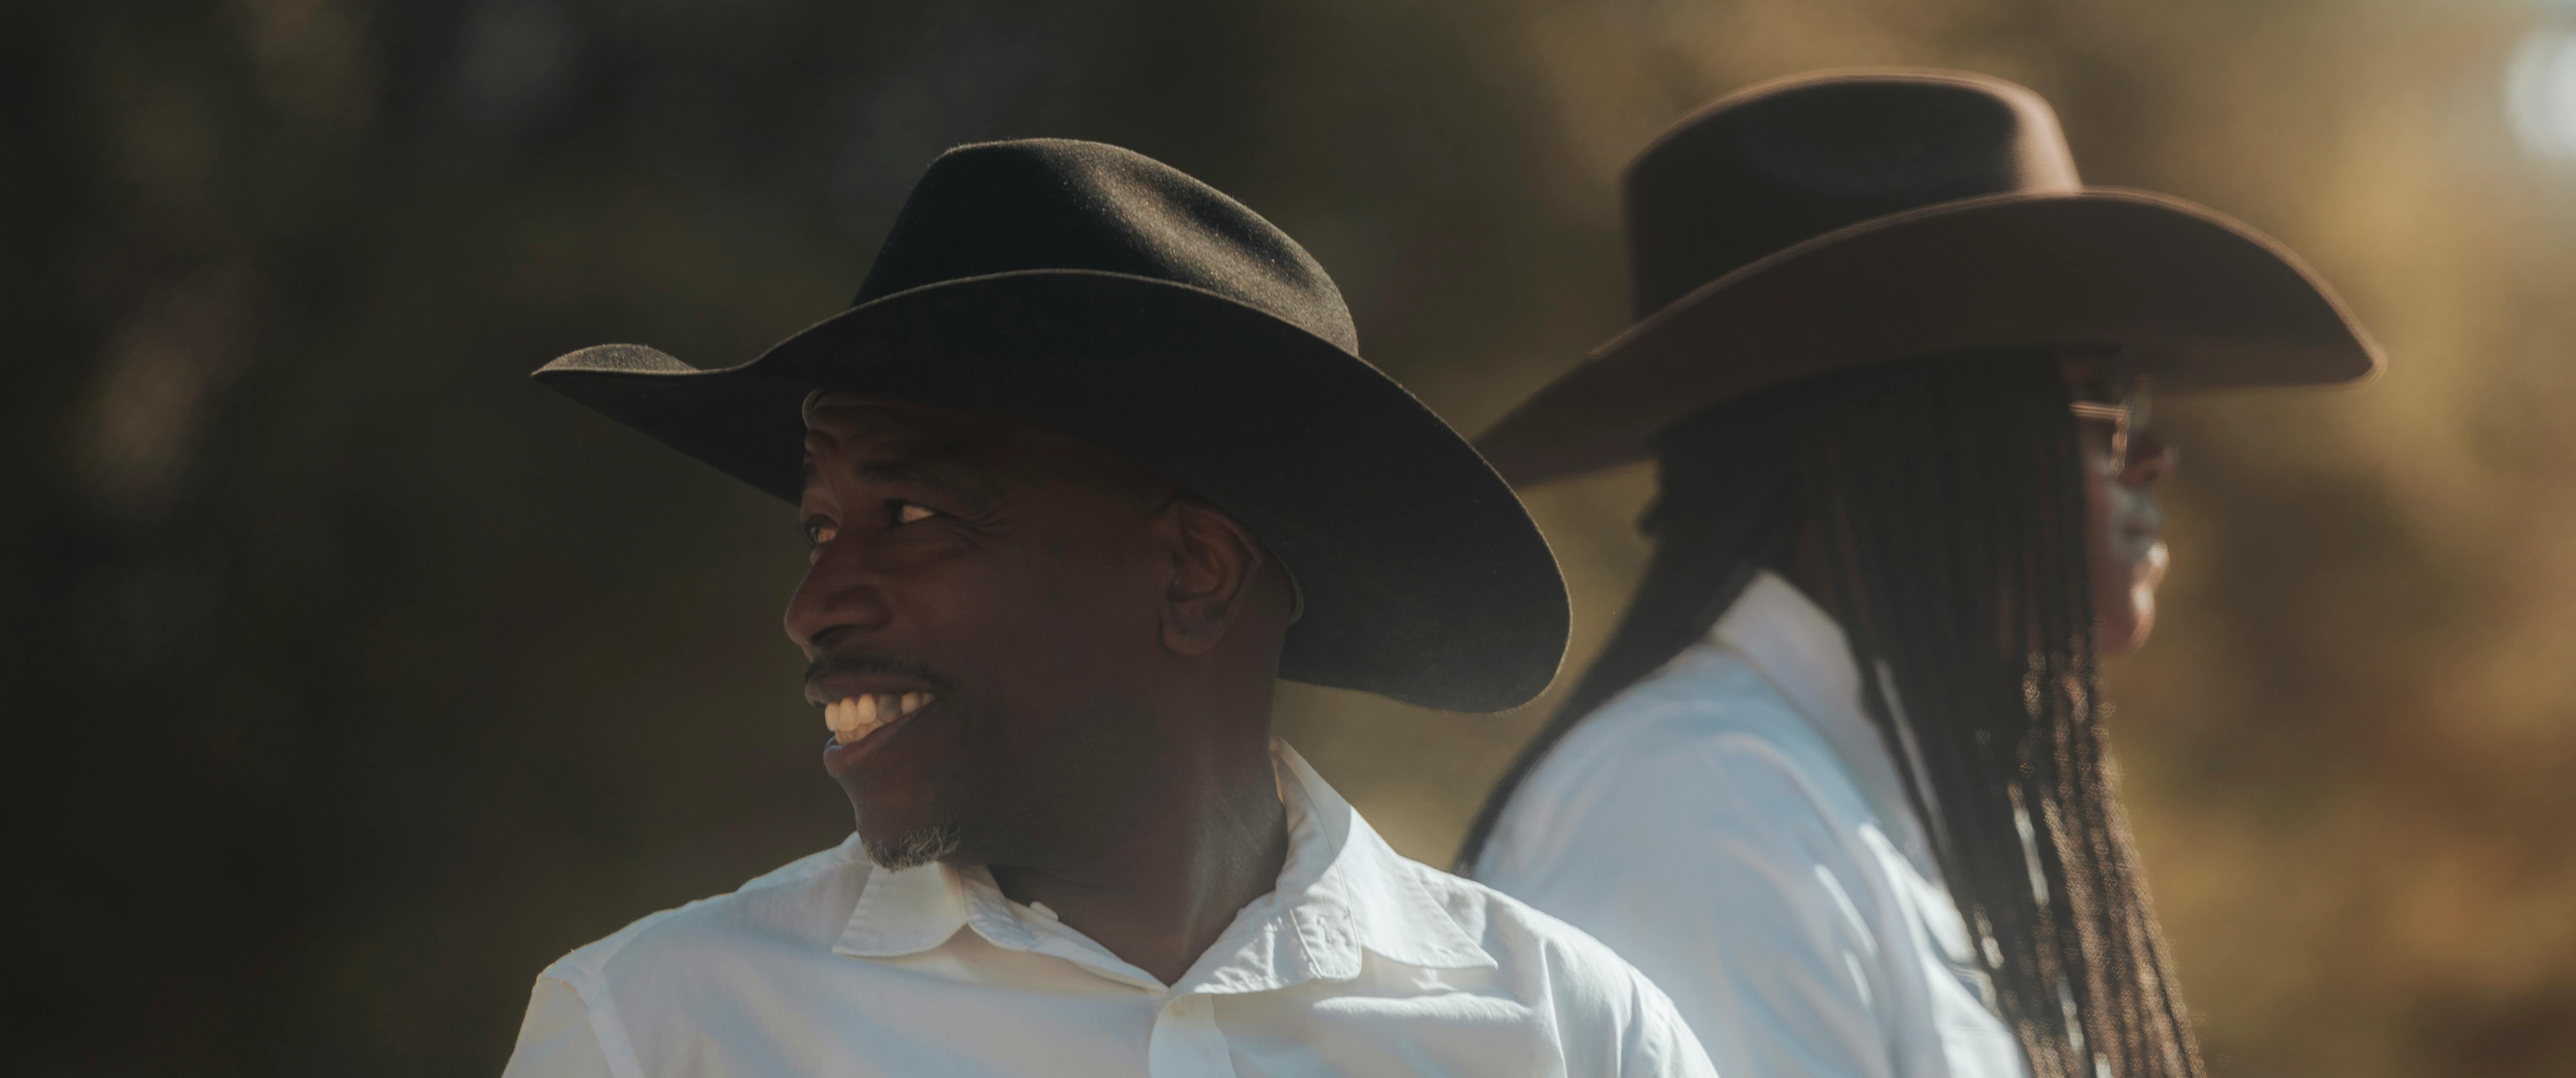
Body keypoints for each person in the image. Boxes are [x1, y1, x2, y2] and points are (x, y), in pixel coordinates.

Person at [500, 138, 1718, 1078]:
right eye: (820, 527)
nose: (812, 606)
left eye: (911, 516)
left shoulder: (1573, 1039)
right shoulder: (659, 1035)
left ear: (1194, 573)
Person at [1459, 71, 2381, 1078]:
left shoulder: (1916, 801)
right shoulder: (1700, 812)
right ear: (1901, 441)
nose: (2153, 455)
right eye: (2101, 392)